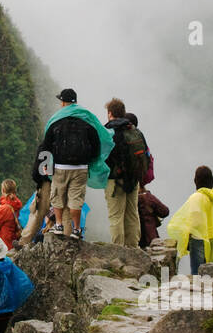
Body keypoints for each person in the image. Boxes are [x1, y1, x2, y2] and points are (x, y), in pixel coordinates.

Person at [43, 88, 112, 241]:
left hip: (60, 167)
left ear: (63, 102)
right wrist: (90, 161)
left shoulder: (56, 121)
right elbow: (96, 145)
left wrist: (47, 165)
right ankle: (76, 229)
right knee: (76, 199)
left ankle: (59, 225)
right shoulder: (86, 121)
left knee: (58, 196)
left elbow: (46, 145)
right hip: (81, 167)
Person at [167, 166, 213, 275]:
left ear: (196, 180)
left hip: (198, 240)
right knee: (211, 272)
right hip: (212, 239)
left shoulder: (196, 197)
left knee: (197, 273)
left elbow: (195, 221)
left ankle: (199, 290)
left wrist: (188, 235)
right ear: (211, 181)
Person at [104, 98, 144, 248]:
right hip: (133, 180)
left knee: (116, 217)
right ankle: (133, 249)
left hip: (114, 181)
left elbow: (101, 156)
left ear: (110, 113)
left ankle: (118, 251)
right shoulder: (133, 130)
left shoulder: (107, 131)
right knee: (132, 215)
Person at [0, 179, 22, 250]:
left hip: (4, 244)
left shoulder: (4, 208)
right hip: (14, 241)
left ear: (3, 190)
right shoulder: (17, 204)